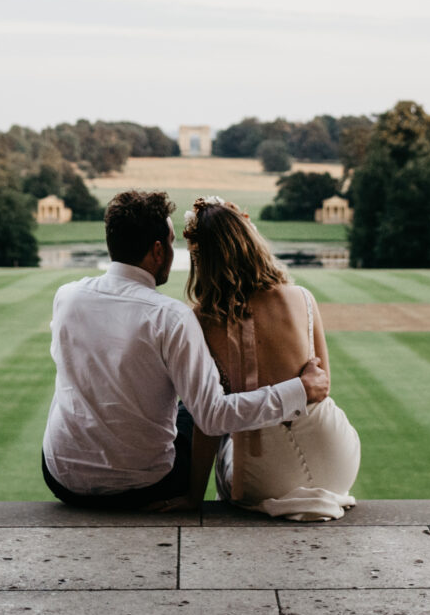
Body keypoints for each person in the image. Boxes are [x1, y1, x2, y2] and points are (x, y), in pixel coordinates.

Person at [41, 189, 329, 510]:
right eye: (173, 242)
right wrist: (299, 390)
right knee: (198, 401)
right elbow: (213, 416)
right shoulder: (171, 316)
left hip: (62, 478)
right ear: (158, 250)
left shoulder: (66, 296)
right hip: (144, 486)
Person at [185, 196, 360, 520]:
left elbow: (205, 423)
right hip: (337, 459)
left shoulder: (203, 319)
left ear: (201, 258)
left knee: (200, 407)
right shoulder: (301, 297)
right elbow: (322, 387)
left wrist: (193, 496)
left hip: (263, 477)